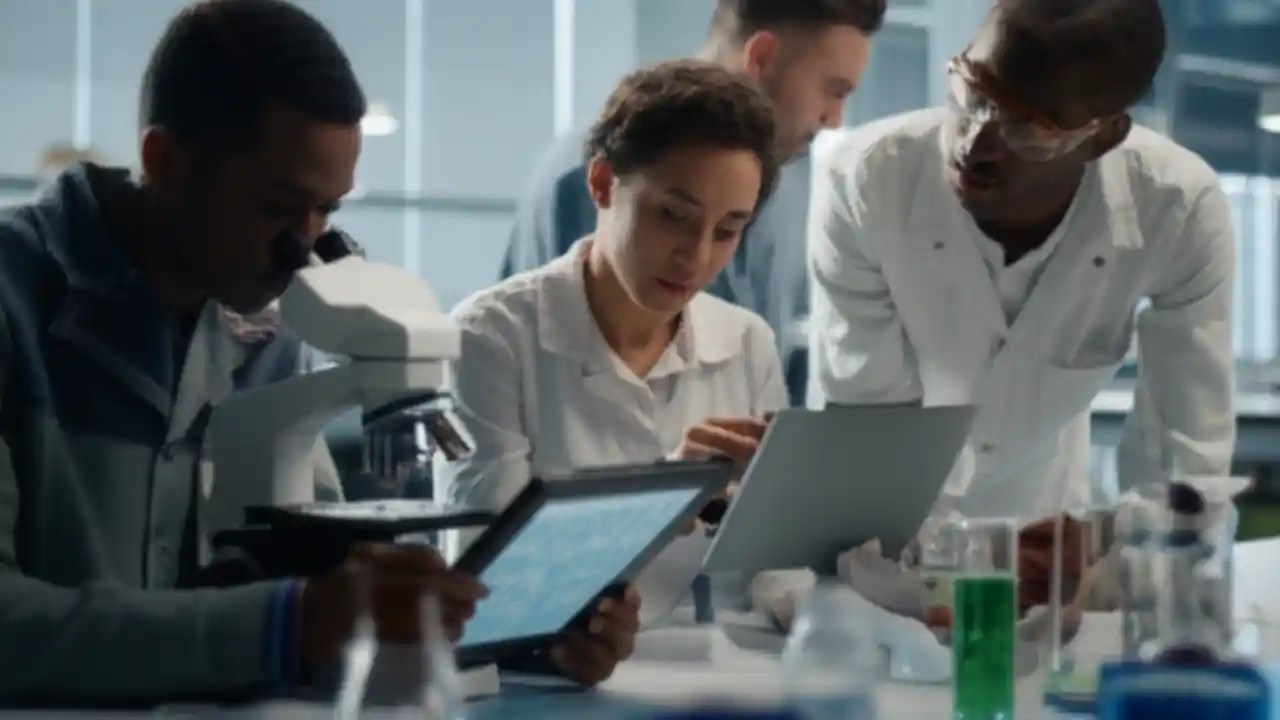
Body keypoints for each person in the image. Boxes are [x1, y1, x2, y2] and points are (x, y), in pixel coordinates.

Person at [0, 0, 634, 704]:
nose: (302, 249)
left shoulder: (260, 318)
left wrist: (526, 638)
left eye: (328, 211)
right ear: (166, 162)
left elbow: (311, 572)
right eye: (278, 206)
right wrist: (290, 623)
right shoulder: (14, 301)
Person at [808, 0, 1235, 613]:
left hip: (1051, 571)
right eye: (972, 91)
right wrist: (963, 568)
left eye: (1027, 127)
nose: (975, 142)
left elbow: (1185, 473)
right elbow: (873, 435)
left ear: (1103, 135)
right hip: (881, 567)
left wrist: (1114, 560)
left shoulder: (1176, 209)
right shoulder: (868, 181)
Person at [436, 60, 787, 618]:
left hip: (715, 657)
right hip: (546, 663)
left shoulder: (747, 342)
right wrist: (667, 497)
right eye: (673, 215)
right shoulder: (490, 338)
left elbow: (771, 564)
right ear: (601, 183)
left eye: (727, 231)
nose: (696, 256)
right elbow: (488, 584)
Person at [502, 0, 886, 404]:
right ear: (761, 58)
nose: (835, 119)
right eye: (833, 90)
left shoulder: (792, 178)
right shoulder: (613, 177)